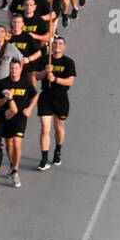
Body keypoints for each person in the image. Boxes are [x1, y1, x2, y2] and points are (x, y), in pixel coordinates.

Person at [36, 35, 75, 169]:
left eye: (60, 43)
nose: (57, 45)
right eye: (55, 43)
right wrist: (44, 72)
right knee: (45, 128)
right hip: (46, 97)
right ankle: (44, 158)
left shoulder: (68, 62)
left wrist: (55, 79)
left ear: (64, 46)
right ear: (52, 46)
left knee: (58, 128)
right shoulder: (46, 59)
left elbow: (70, 81)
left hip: (61, 98)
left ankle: (57, 151)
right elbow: (36, 76)